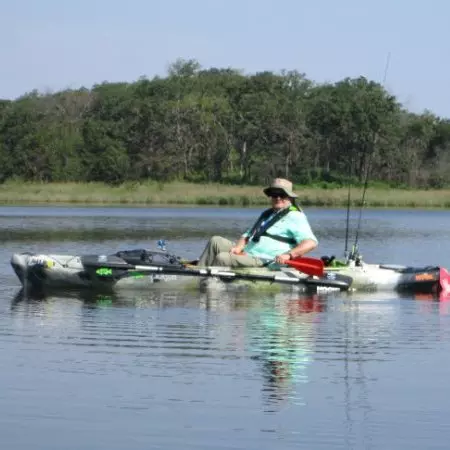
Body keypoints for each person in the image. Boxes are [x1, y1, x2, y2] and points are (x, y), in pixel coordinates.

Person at [196, 178, 318, 268]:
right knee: (215, 241)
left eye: (282, 194)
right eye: (274, 194)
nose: (278, 198)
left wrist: (289, 255)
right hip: (249, 252)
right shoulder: (268, 214)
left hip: (265, 259)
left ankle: (212, 286)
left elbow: (310, 243)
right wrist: (238, 247)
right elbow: (247, 235)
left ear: (289, 197)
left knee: (222, 257)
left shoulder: (295, 216)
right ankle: (198, 273)